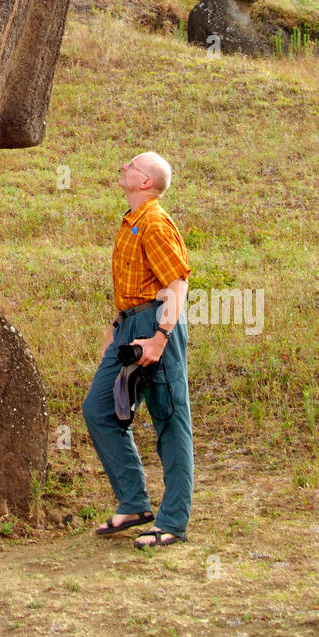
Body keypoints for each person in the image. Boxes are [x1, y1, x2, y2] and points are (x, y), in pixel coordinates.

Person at [82, 151, 193, 549]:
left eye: (131, 164)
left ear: (145, 182)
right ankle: (134, 503)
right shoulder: (131, 221)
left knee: (169, 418)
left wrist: (160, 337)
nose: (123, 166)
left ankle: (173, 522)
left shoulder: (155, 223)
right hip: (129, 324)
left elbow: (177, 284)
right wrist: (117, 327)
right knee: (98, 408)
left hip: (155, 324)